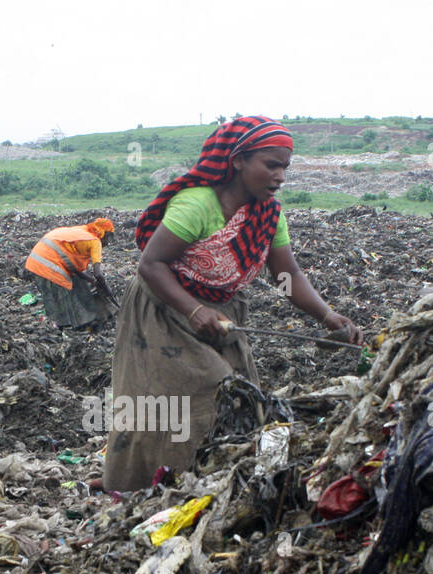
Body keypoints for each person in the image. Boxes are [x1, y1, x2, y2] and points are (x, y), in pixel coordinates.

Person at [102, 116, 361, 492]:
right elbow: (151, 265)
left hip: (222, 315)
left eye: (285, 167)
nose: (280, 177)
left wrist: (327, 315)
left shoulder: (270, 215)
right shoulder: (197, 205)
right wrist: (194, 310)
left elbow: (286, 275)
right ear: (237, 160)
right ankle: (150, 485)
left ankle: (209, 481)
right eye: (271, 165)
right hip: (164, 309)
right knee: (179, 403)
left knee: (239, 398)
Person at [24, 217, 117, 328]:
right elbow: (98, 274)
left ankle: (62, 325)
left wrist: (91, 280)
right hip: (47, 262)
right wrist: (108, 293)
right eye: (108, 238)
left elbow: (72, 266)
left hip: (36, 259)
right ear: (104, 234)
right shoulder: (95, 241)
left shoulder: (83, 231)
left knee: (64, 291)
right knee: (63, 298)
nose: (107, 243)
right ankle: (68, 325)